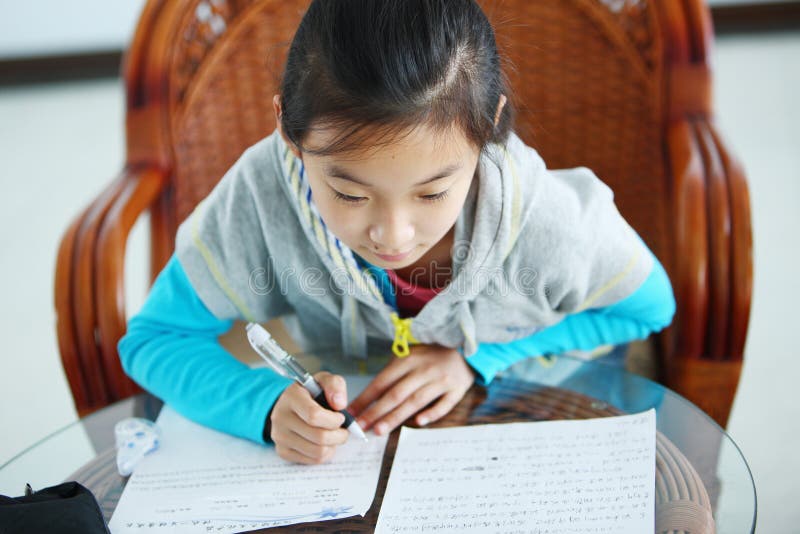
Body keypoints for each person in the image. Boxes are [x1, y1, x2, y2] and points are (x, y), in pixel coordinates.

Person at [119, 0, 675, 465]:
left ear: (487, 128)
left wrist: (475, 361)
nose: (393, 235)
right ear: (290, 131)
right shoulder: (259, 199)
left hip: (524, 438)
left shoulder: (552, 225)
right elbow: (154, 339)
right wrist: (262, 406)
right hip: (356, 465)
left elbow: (649, 307)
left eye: (433, 193)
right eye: (350, 194)